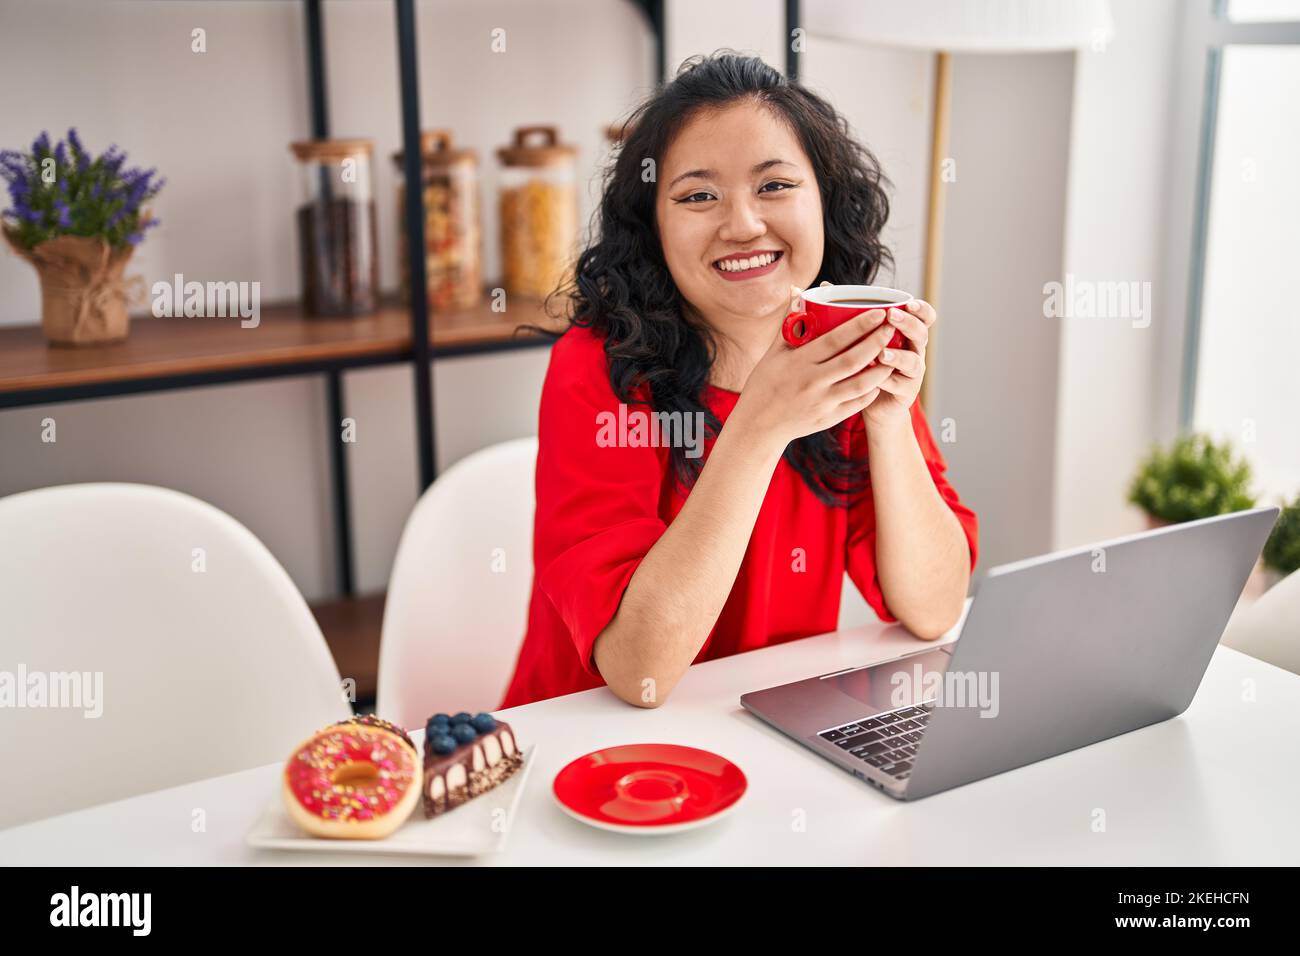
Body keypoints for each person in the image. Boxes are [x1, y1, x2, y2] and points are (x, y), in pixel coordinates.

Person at [501, 53, 978, 709]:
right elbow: (640, 672)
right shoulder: (597, 369)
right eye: (698, 196)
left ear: (825, 202)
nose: (744, 225)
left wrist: (889, 418)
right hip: (592, 744)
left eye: (775, 186)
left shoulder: (844, 348)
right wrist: (760, 426)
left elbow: (933, 607)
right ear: (653, 225)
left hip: (769, 726)